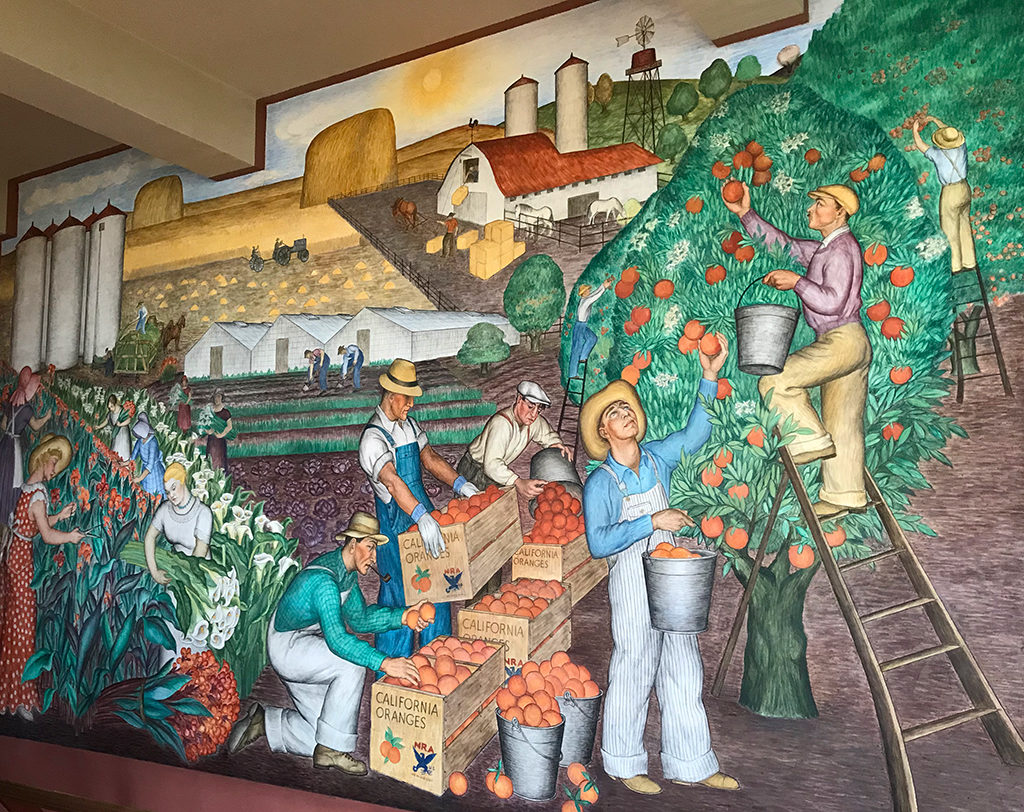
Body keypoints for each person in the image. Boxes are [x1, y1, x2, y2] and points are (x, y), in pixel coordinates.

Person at [581, 339, 737, 795]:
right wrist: (651, 520)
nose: (624, 415)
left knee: (683, 659)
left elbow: (695, 435)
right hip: (629, 576)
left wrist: (709, 375)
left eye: (627, 408)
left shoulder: (656, 457)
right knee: (634, 660)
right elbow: (598, 542)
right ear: (603, 431)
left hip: (669, 570)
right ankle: (624, 761)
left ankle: (692, 761)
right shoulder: (601, 483)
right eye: (613, 413)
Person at [227, 511, 429, 775]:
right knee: (350, 666)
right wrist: (385, 663)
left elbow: (360, 620)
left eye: (375, 549)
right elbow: (336, 640)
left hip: (303, 643)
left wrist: (403, 616)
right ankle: (332, 752)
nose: (373, 556)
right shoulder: (325, 582)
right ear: (353, 544)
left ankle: (265, 722)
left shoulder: (345, 575)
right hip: (287, 647)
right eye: (370, 547)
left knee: (319, 735)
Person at [723, 180, 871, 519]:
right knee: (843, 423)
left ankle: (807, 440)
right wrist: (746, 214)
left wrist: (797, 282)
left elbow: (832, 302)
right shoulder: (825, 248)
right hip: (846, 342)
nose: (811, 209)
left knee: (776, 380)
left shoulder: (842, 249)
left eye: (820, 204)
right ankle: (843, 495)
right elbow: (786, 246)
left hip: (844, 339)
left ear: (840, 212)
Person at [358, 359, 479, 659]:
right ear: (389, 394)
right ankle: (392, 680)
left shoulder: (408, 426)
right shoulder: (373, 438)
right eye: (407, 396)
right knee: (400, 605)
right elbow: (393, 481)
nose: (411, 403)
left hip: (426, 525)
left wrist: (462, 484)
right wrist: (420, 516)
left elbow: (430, 458)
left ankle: (436, 670)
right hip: (397, 534)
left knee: (438, 595)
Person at [0, 434, 87, 718]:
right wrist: (71, 537)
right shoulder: (37, 494)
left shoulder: (27, 488)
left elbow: (35, 522)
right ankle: (21, 698)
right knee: (23, 628)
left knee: (13, 624)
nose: (53, 471)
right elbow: (47, 536)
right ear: (42, 458)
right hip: (21, 559)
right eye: (53, 464)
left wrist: (59, 515)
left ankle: (10, 690)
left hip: (14, 554)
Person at [457, 380, 570, 499]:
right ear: (519, 399)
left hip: (496, 472)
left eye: (539, 409)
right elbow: (491, 464)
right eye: (530, 407)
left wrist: (556, 445)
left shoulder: (534, 422)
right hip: (474, 470)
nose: (534, 414)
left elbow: (547, 435)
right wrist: (518, 482)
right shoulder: (501, 424)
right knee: (471, 507)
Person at [912, 115, 976, 274]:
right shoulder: (961, 148)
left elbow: (920, 145)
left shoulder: (937, 154)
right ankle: (969, 261)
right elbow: (950, 132)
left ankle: (955, 266)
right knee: (964, 224)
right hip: (964, 188)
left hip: (950, 192)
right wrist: (934, 120)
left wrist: (915, 130)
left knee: (950, 229)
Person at [0, 368, 52, 525]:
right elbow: (36, 426)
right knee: (15, 479)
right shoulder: (27, 408)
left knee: (3, 478)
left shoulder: (12, 402)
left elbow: (3, 425)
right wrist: (47, 417)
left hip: (4, 444)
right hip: (14, 446)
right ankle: (10, 516)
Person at [567, 278, 613, 378]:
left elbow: (593, 295)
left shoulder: (585, 299)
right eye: (587, 290)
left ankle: (583, 357)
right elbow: (594, 297)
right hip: (580, 326)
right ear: (583, 293)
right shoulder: (585, 301)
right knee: (576, 349)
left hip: (583, 325)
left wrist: (602, 286)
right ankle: (572, 374)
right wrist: (603, 287)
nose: (589, 291)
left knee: (592, 338)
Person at [131, 412, 166, 497]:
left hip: (154, 470)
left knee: (155, 494)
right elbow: (134, 455)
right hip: (145, 471)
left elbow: (150, 465)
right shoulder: (140, 440)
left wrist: (139, 478)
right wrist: (126, 463)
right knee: (146, 495)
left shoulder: (153, 442)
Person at [93, 394, 132, 461]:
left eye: (111, 406)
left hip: (124, 434)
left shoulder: (122, 411)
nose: (110, 409)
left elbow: (129, 420)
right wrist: (99, 426)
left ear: (115, 404)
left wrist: (120, 424)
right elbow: (106, 421)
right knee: (115, 449)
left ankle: (124, 463)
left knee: (123, 449)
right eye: (109, 407)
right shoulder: (111, 413)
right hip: (116, 434)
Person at [204, 390, 233, 472]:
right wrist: (207, 431)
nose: (217, 399)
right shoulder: (210, 411)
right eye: (215, 397)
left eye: (219, 397)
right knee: (211, 455)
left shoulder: (225, 412)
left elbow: (229, 426)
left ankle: (221, 475)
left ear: (222, 398)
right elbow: (204, 423)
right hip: (211, 439)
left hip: (220, 439)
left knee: (220, 457)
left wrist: (222, 434)